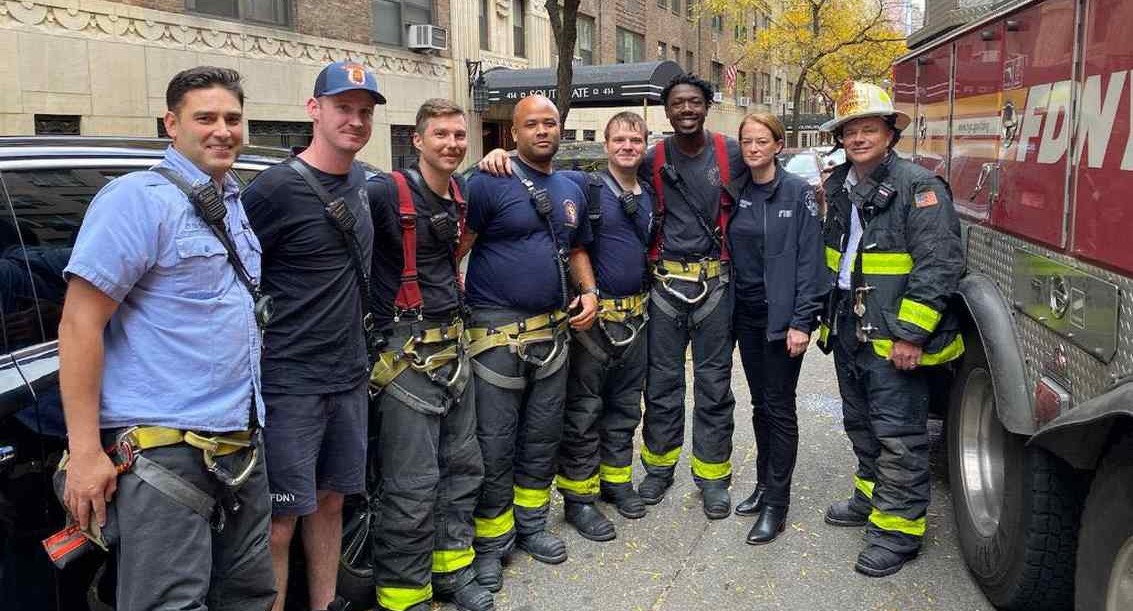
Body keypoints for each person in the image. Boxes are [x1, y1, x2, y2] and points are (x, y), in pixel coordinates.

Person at [57, 66, 275, 610]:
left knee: (248, 595)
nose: (222, 130)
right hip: (166, 451)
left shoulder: (232, 201)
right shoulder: (137, 199)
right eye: (205, 118)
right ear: (171, 124)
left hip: (240, 439)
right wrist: (84, 453)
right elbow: (79, 324)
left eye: (232, 118)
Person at [242, 60, 381, 611]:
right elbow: (236, 279)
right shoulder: (272, 191)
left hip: (348, 377)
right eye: (343, 108)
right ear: (313, 110)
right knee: (278, 521)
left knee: (330, 504)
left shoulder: (366, 182)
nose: (354, 120)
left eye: (364, 112)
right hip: (288, 385)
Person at [817, 81, 964, 576]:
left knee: (899, 434)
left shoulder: (918, 187)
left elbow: (939, 264)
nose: (858, 137)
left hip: (892, 338)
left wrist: (911, 335)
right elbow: (838, 261)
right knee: (860, 424)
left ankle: (899, 532)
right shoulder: (840, 186)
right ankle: (870, 499)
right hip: (850, 332)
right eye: (850, 131)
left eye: (868, 128)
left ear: (889, 133)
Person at [459, 95, 598, 593]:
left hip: (554, 334)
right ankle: (492, 543)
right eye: (532, 124)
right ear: (513, 133)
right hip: (496, 338)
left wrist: (590, 291)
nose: (543, 131)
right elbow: (456, 247)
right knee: (494, 443)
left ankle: (533, 525)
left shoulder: (571, 187)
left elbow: (576, 246)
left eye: (551, 123)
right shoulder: (488, 182)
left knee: (542, 437)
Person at [364, 99, 492, 611]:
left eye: (460, 135)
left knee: (462, 468)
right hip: (404, 355)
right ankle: (403, 595)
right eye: (440, 134)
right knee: (411, 483)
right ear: (416, 140)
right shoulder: (382, 193)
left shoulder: (459, 195)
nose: (452, 144)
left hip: (453, 346)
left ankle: (451, 572)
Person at [637, 74, 746, 518]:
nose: (686, 109)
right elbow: (605, 178)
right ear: (667, 111)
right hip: (665, 284)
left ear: (706, 107)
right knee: (661, 383)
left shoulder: (730, 154)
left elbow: (768, 181)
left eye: (695, 102)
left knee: (714, 385)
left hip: (715, 284)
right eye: (678, 103)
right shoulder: (651, 159)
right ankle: (659, 469)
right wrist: (501, 155)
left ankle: (713, 476)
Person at [554, 112, 655, 540]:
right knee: (584, 410)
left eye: (635, 139)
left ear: (645, 143)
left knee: (625, 407)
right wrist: (498, 156)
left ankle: (616, 482)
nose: (627, 146)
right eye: (619, 139)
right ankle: (580, 498)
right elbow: (576, 247)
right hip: (595, 321)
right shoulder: (586, 187)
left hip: (638, 318)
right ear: (606, 143)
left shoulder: (649, 194)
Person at [724, 113, 823, 544]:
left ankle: (776, 506)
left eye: (761, 140)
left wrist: (803, 321)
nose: (753, 148)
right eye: (746, 141)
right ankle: (763, 485)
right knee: (760, 406)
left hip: (782, 321)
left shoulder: (797, 192)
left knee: (780, 408)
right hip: (745, 317)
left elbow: (809, 260)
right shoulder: (738, 190)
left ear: (778, 145)